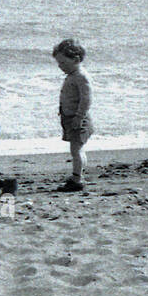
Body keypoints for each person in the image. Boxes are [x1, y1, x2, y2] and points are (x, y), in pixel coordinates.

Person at [53, 39, 92, 191]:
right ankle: (78, 175)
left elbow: (86, 99)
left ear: (76, 60)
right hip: (70, 117)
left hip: (78, 119)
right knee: (77, 148)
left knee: (77, 149)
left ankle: (77, 179)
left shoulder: (81, 76)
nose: (60, 66)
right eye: (59, 63)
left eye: (63, 63)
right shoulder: (73, 74)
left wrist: (79, 117)